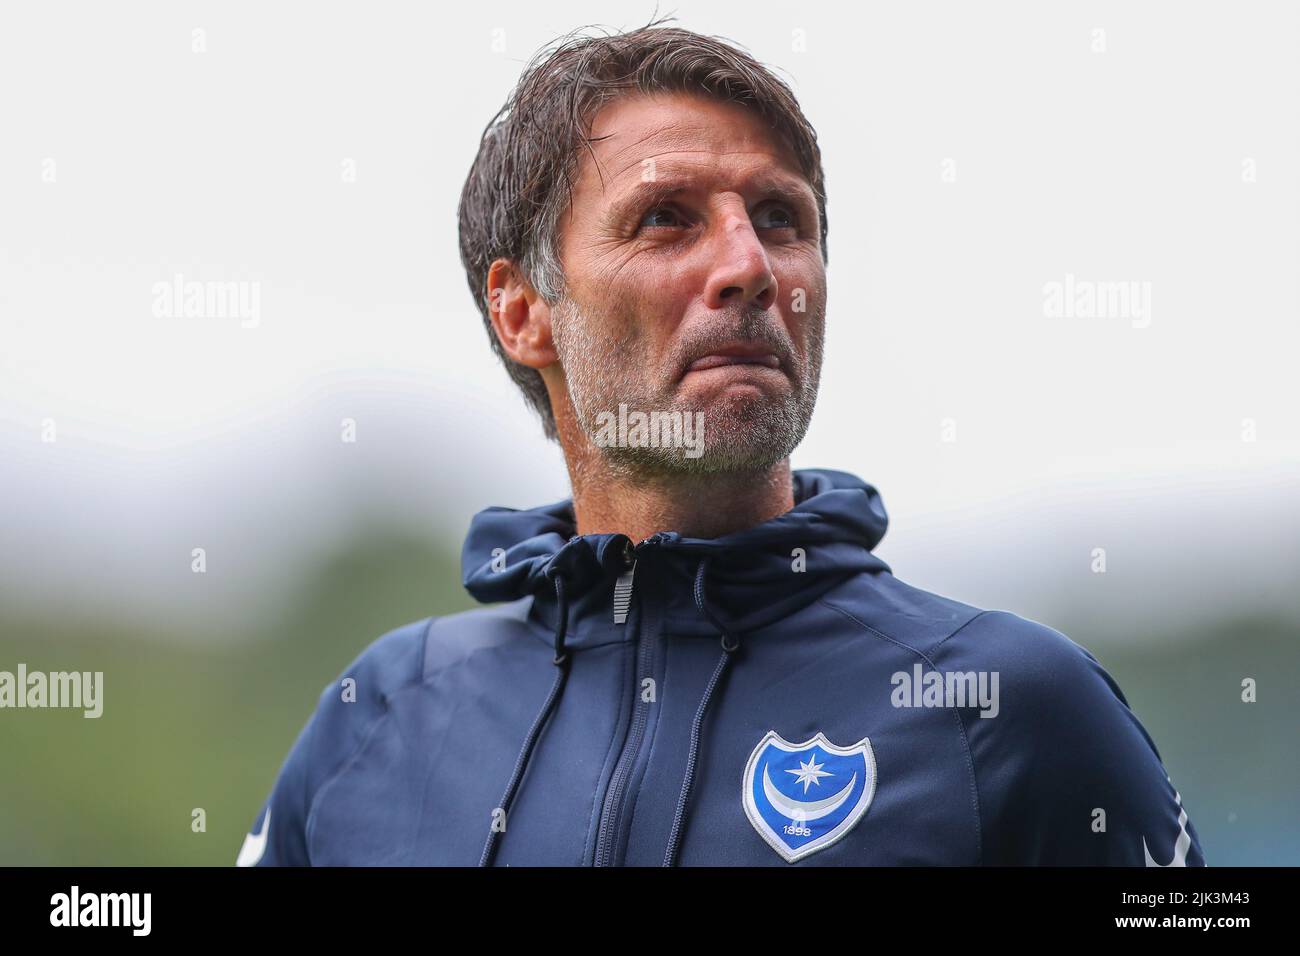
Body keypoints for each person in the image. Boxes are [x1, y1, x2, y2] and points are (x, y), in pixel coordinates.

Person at [238, 19, 1205, 866]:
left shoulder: (1011, 708)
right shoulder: (381, 718)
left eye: (781, 220)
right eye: (666, 220)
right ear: (524, 312)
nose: (749, 266)